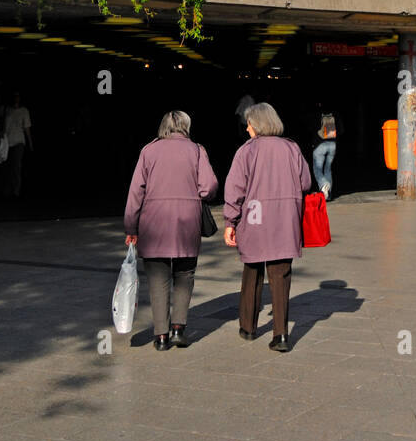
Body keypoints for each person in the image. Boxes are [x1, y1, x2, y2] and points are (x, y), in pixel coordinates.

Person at [124, 110, 218, 350]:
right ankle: (179, 329)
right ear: (186, 126)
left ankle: (161, 336)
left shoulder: (149, 150)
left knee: (157, 279)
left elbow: (136, 192)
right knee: (185, 275)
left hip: (153, 223)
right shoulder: (197, 150)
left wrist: (130, 226)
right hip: (187, 221)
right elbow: (209, 187)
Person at [223, 102, 311, 351]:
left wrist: (231, 221)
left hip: (254, 218)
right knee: (281, 275)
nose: (247, 128)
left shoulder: (246, 151)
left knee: (252, 271)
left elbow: (235, 190)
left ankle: (248, 327)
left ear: (257, 124)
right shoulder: (292, 148)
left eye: (249, 124)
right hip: (285, 220)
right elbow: (305, 182)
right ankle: (281, 335)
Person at [0, 93, 32, 198]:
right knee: (6, 166)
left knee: (16, 166)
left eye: (18, 96)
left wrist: (30, 142)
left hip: (19, 141)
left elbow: (27, 128)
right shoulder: (5, 109)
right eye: (15, 95)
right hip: (6, 142)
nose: (16, 98)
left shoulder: (24, 111)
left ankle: (16, 192)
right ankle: (6, 192)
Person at [312, 109, 339, 199]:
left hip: (320, 145)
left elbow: (313, 129)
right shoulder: (334, 116)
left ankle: (323, 184)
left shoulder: (317, 115)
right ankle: (328, 195)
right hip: (332, 144)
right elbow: (342, 130)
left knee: (317, 168)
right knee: (328, 169)